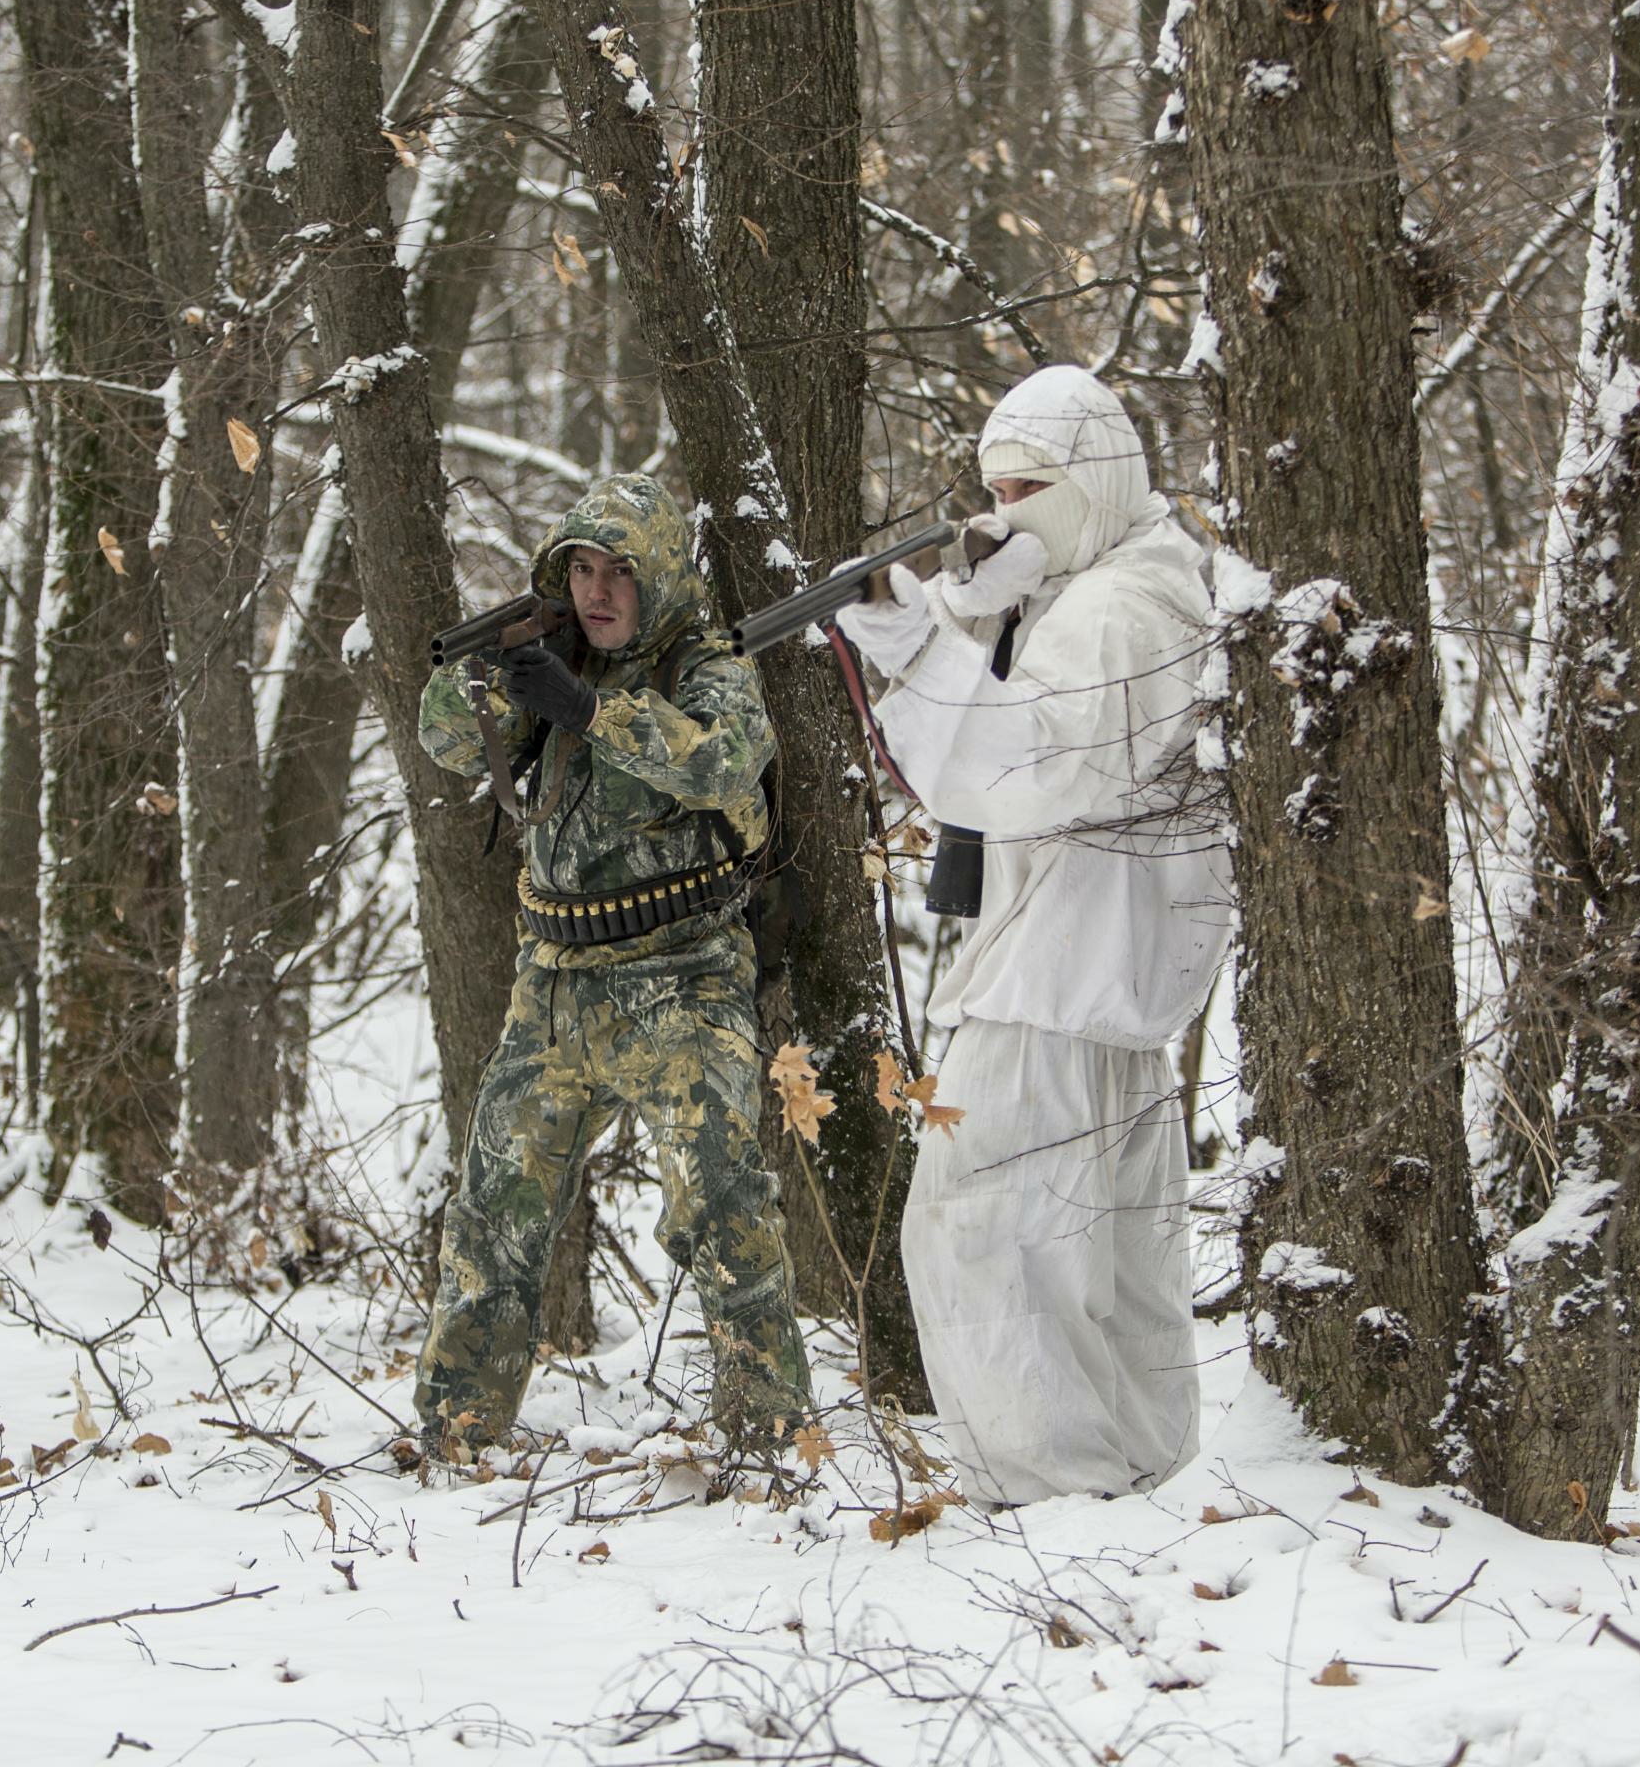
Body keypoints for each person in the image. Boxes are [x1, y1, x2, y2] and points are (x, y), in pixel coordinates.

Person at [836, 366, 1230, 1503]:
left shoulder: (1120, 605)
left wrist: (915, 644)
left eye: (1031, 487)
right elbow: (1031, 704)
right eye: (993, 487)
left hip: (1063, 968)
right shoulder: (1115, 578)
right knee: (1107, 1259)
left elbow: (1031, 763)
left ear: (1097, 478)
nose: (1008, 510)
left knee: (981, 1226)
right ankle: (1138, 1479)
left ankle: (1055, 1492)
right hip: (1091, 969)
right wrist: (971, 605)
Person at [413, 473, 815, 1463]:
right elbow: (444, 740)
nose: (598, 591)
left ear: (660, 576)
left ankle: (769, 1427)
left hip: (684, 971)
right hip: (551, 983)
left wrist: (592, 710)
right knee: (494, 1207)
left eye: (619, 572)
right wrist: (496, 677)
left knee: (720, 1188)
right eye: (580, 569)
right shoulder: (546, 658)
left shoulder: (703, 664)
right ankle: (458, 1427)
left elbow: (724, 762)